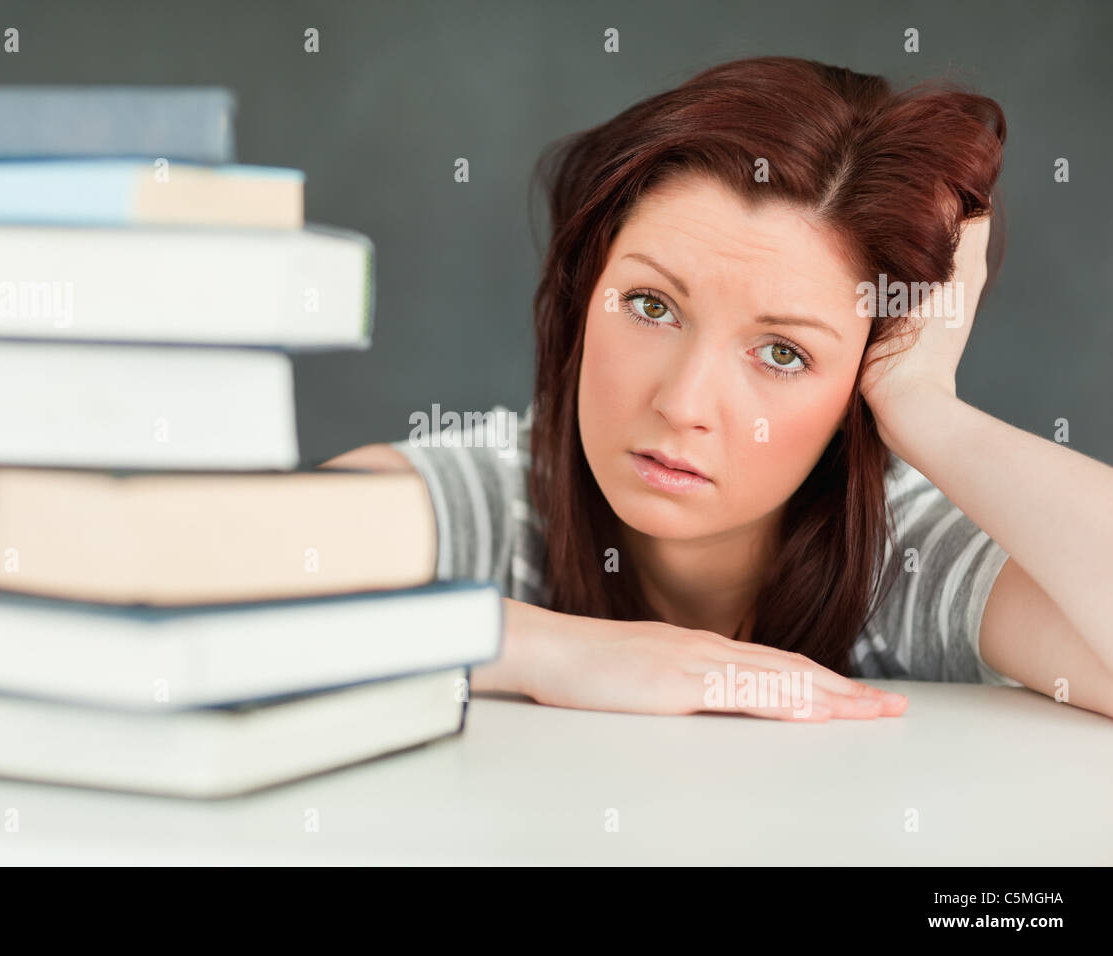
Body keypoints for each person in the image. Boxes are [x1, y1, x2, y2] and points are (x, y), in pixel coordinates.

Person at [321, 56, 1113, 722]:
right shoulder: (498, 493)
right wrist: (540, 648)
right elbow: (213, 565)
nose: (683, 404)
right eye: (651, 306)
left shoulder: (901, 556)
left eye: (782, 353)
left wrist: (924, 407)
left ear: (856, 389)